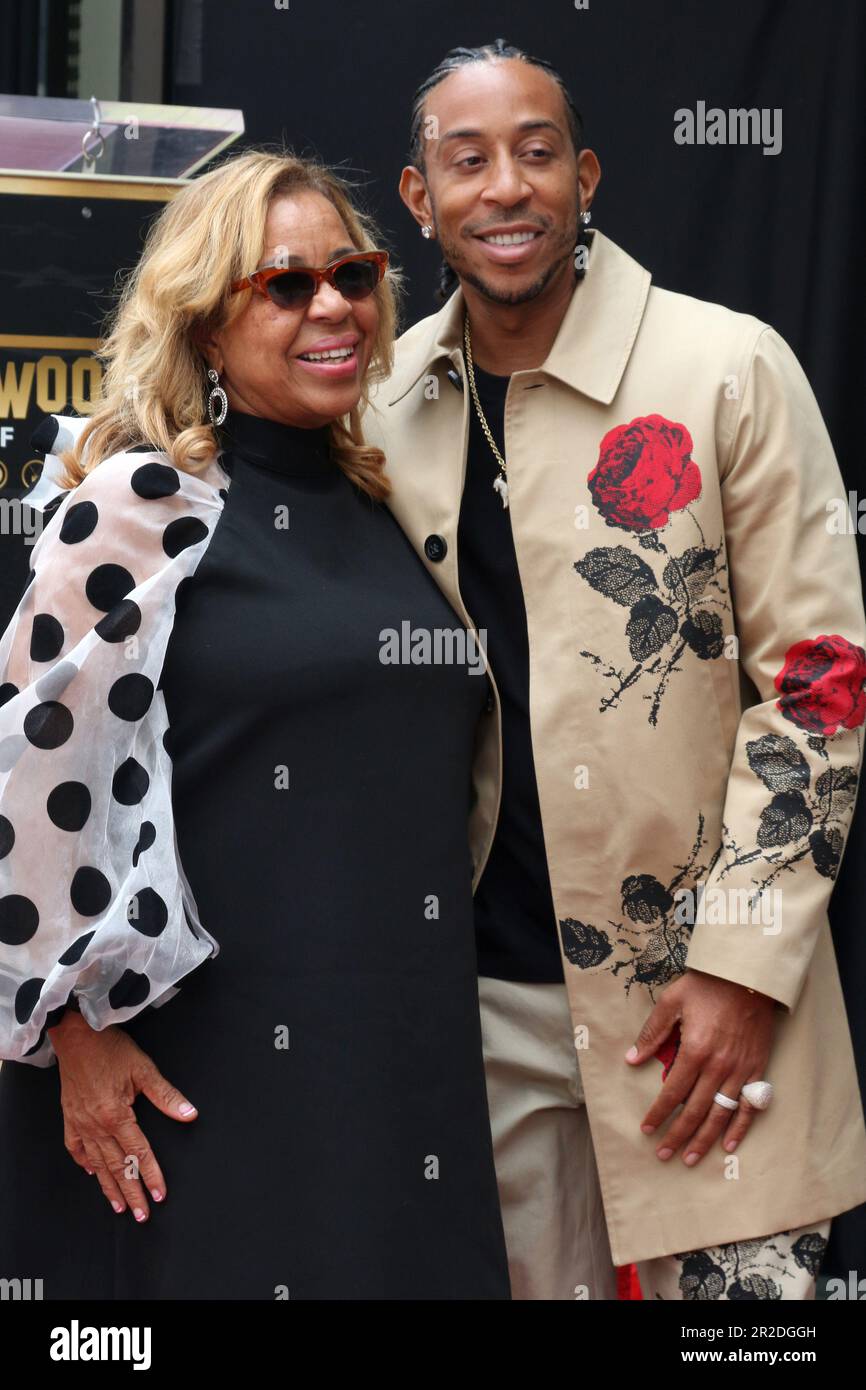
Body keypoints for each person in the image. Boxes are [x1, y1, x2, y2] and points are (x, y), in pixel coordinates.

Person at [362, 39, 866, 1300]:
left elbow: (819, 686)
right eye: (465, 160)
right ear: (419, 199)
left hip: (700, 996)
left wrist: (741, 965)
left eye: (536, 153)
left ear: (584, 178)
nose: (505, 187)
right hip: (479, 1005)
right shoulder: (385, 403)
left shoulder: (725, 367)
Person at [0, 148, 511, 1300]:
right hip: (212, 1070)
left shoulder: (389, 501)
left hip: (408, 1049)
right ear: (205, 326)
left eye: (353, 272)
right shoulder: (142, 507)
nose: (330, 304)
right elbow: (31, 787)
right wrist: (72, 1036)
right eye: (282, 285)